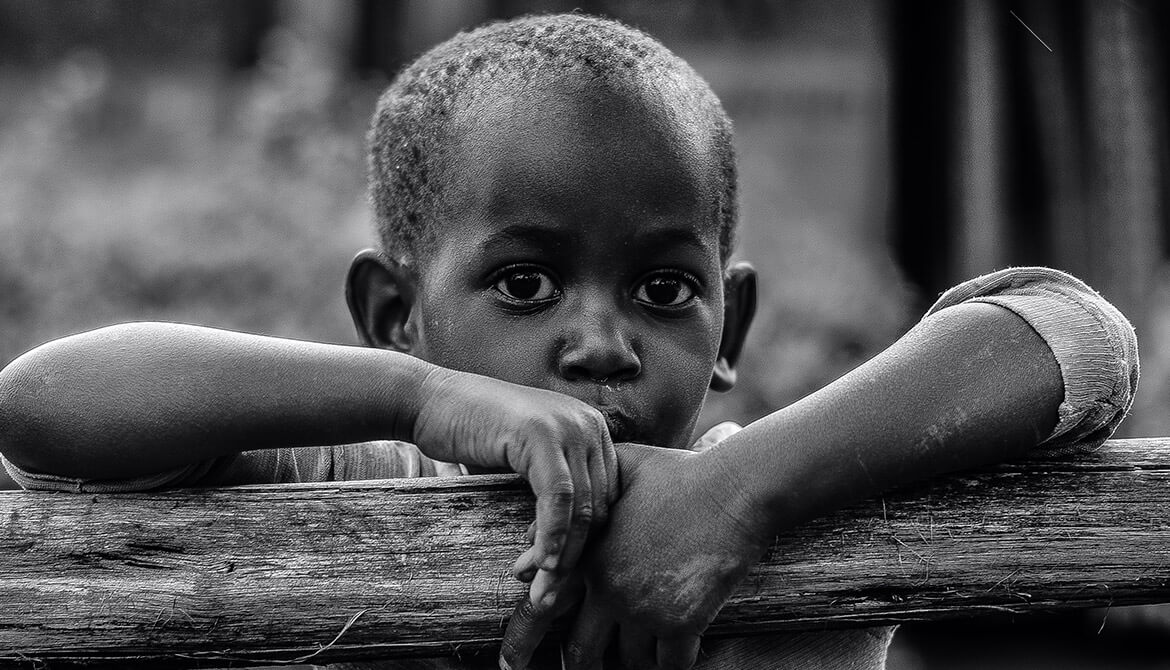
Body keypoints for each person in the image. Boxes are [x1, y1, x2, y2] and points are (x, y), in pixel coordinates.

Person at [0, 13, 1138, 670]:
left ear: (728, 322)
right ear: (397, 314)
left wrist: (735, 499)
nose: (600, 341)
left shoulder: (786, 494)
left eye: (661, 287)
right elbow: (45, 405)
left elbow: (1076, 338)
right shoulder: (357, 475)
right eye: (525, 282)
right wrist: (414, 400)